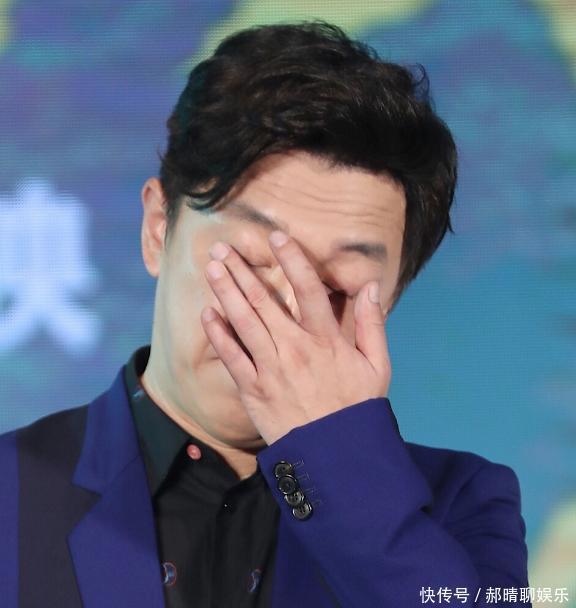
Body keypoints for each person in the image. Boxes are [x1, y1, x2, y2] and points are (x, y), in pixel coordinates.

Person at [0, 20, 530, 608]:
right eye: (251, 259)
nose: (282, 312)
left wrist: (332, 460)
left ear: (393, 297)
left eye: (335, 286)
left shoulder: (462, 506)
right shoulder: (10, 490)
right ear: (157, 229)